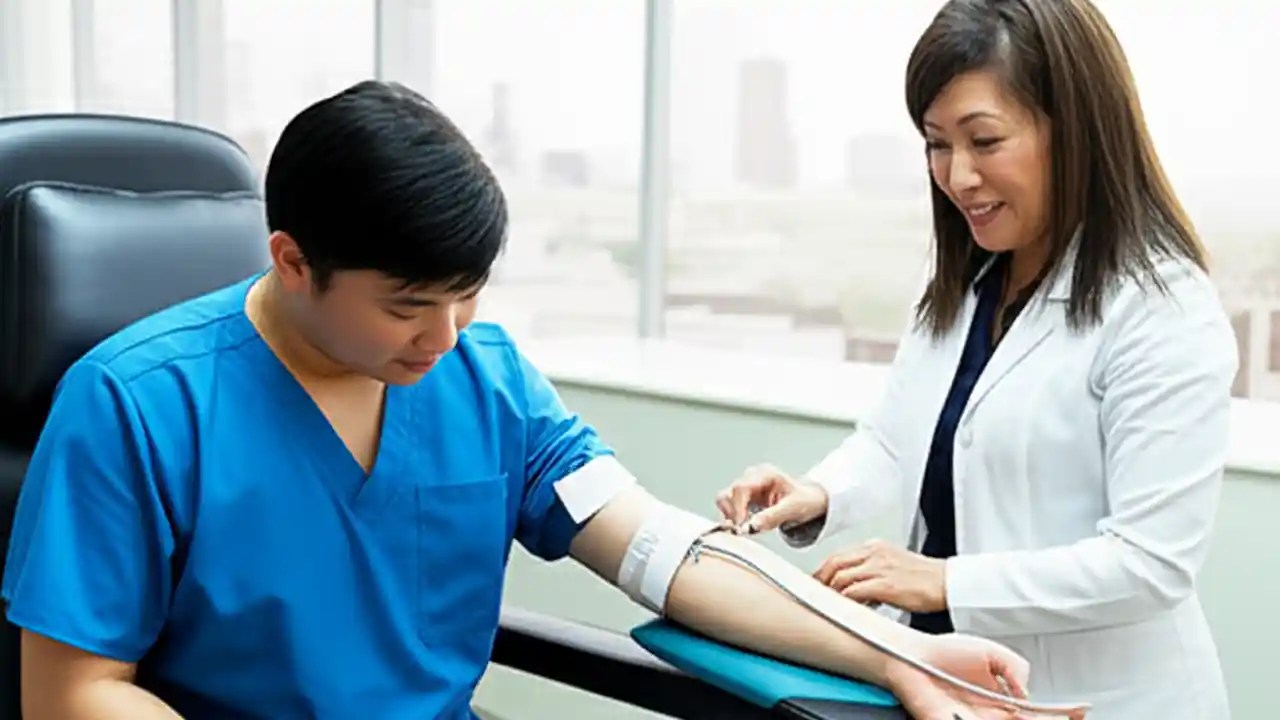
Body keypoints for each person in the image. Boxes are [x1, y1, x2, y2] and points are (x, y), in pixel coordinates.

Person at [1, 81, 1034, 720]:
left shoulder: (481, 377)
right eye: (408, 306)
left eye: (468, 297)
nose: (445, 337)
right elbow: (75, 695)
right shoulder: (135, 405)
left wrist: (903, 653)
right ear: (293, 261)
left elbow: (657, 549)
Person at [715, 1, 1236, 718]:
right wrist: (818, 494)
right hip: (952, 683)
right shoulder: (967, 285)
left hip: (1106, 701)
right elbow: (897, 440)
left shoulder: (1160, 307)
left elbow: (1151, 562)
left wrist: (942, 582)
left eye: (984, 140)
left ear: (1074, 128)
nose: (957, 176)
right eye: (936, 144)